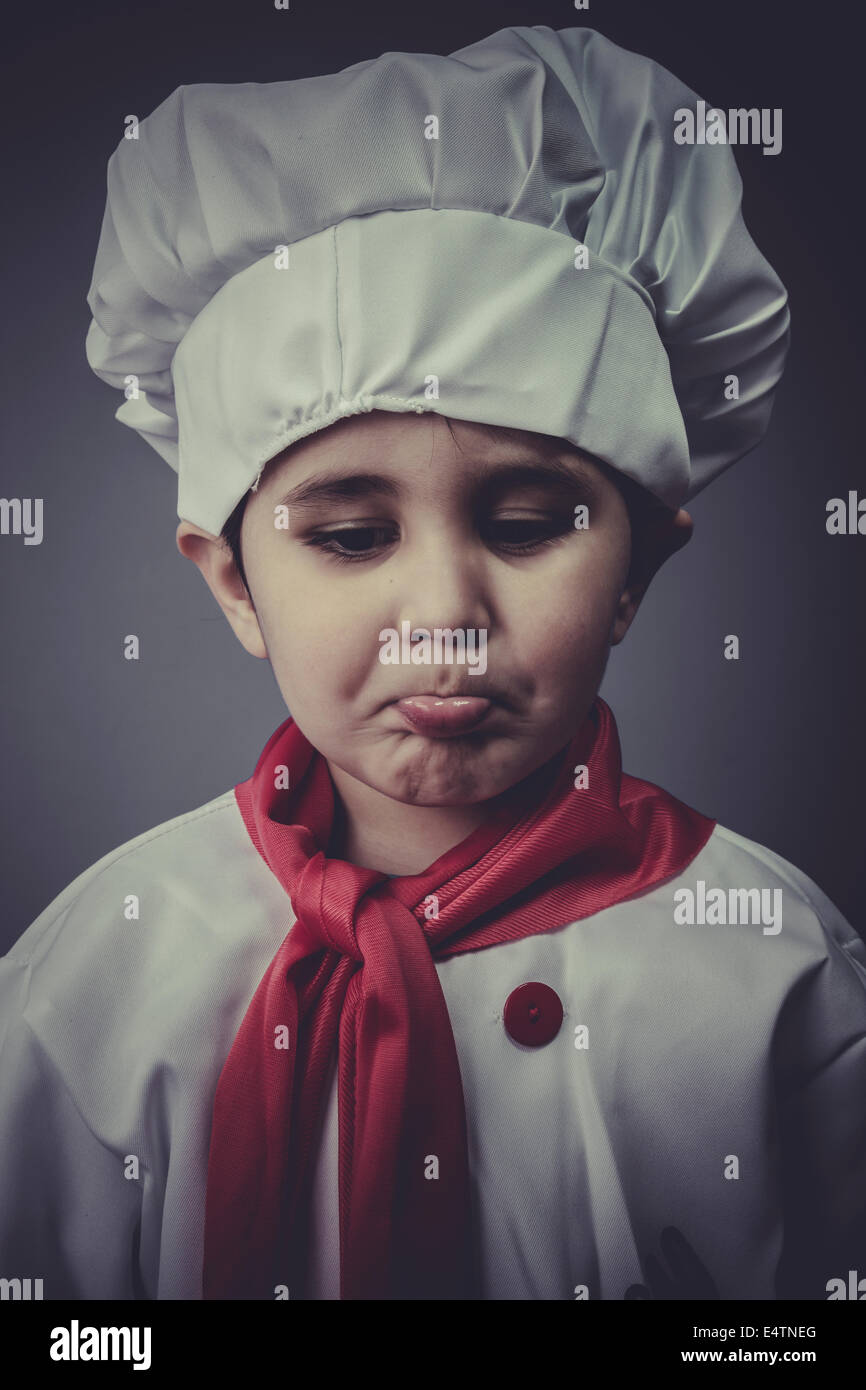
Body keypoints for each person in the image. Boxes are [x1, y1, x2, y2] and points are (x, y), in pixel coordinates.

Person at [1, 23, 864, 1302]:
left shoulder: (775, 972)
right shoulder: (90, 980)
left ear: (635, 572)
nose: (443, 612)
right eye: (351, 536)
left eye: (524, 527)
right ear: (233, 580)